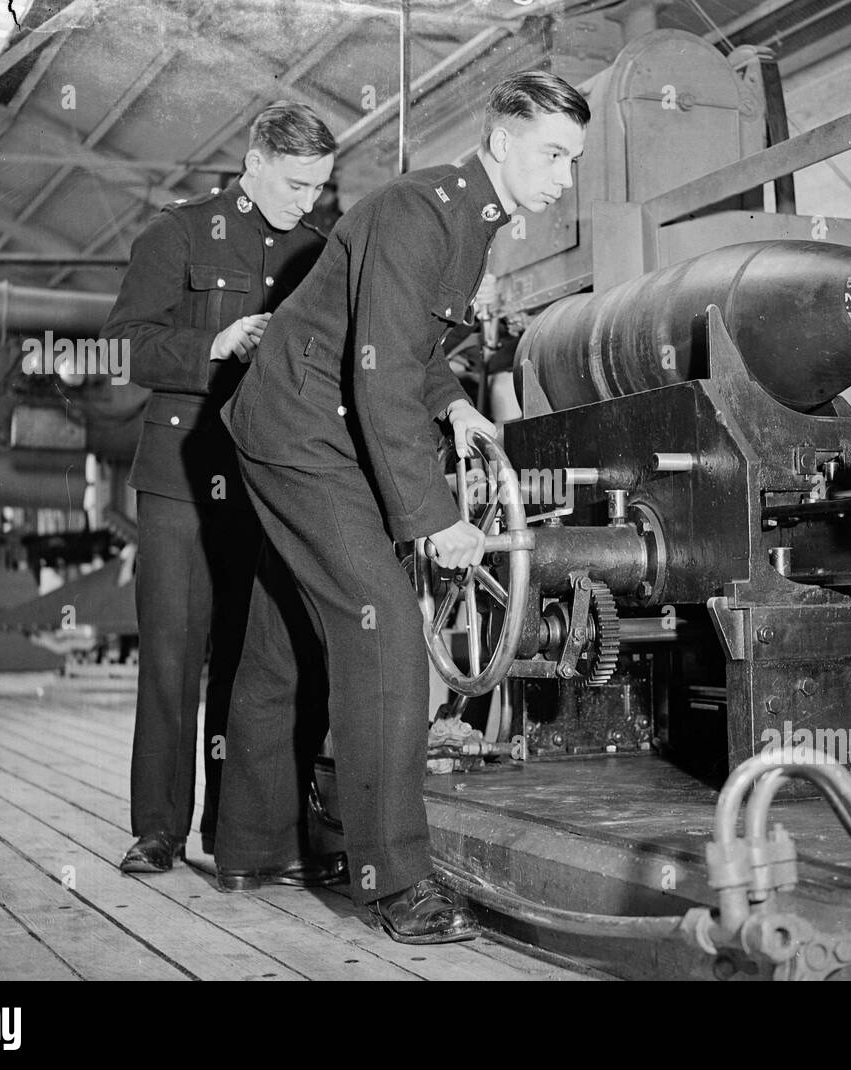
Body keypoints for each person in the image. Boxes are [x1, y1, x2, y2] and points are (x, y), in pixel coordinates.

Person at [216, 71, 589, 942]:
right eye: (555, 154)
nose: (565, 176)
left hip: (300, 419)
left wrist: (456, 400)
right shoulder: (425, 210)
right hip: (303, 430)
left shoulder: (466, 218)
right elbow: (378, 375)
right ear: (501, 143)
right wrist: (435, 519)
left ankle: (252, 844)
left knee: (281, 638)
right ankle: (395, 881)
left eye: (573, 158)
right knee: (380, 621)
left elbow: (405, 344)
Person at [101, 101, 347, 889]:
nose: (307, 200)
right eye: (296, 181)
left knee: (256, 664)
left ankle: (238, 830)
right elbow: (123, 344)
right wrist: (215, 344)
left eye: (319, 185)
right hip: (179, 476)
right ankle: (159, 830)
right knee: (172, 655)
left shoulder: (317, 252)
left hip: (269, 480)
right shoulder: (179, 231)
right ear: (255, 161)